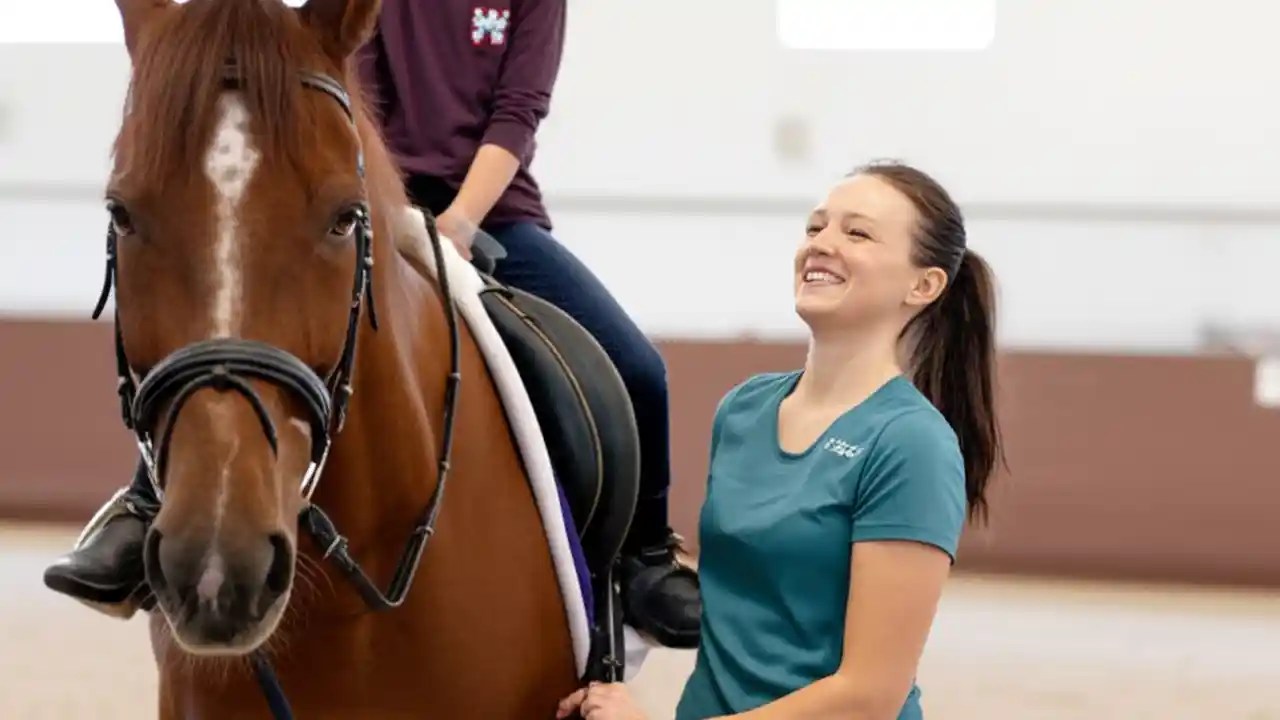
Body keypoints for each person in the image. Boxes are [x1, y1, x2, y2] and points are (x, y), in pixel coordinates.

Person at [42, 0, 702, 649]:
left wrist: (461, 222)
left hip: (494, 216)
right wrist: (378, 206)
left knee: (639, 368)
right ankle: (144, 504)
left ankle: (643, 558)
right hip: (371, 201)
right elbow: (352, 90)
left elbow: (517, 114)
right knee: (240, 314)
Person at [556, 161, 1005, 720]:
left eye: (857, 232)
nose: (822, 244)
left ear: (924, 284)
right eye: (816, 227)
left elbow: (868, 697)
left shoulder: (911, 443)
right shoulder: (745, 408)